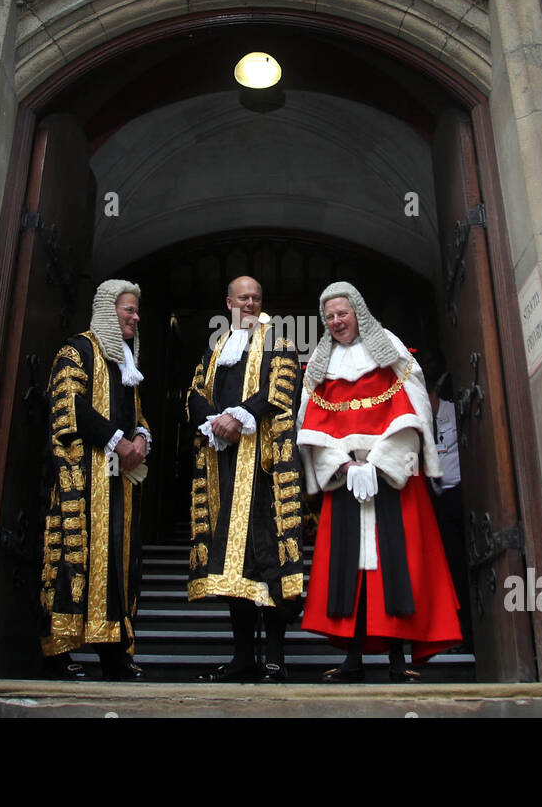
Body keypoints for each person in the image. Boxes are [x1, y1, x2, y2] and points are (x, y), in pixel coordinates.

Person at [297, 281, 461, 682]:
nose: (337, 322)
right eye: (330, 316)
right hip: (345, 480)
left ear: (359, 313)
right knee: (350, 573)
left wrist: (384, 463)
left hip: (393, 478)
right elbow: (311, 423)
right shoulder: (322, 361)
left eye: (343, 313)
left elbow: (413, 407)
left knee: (396, 566)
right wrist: (345, 467)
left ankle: (397, 662)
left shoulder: (389, 347)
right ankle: (352, 660)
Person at [185, 276, 304, 682]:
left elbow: (281, 389)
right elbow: (193, 392)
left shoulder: (280, 340)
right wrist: (214, 420)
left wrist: (238, 416)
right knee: (231, 568)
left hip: (264, 470)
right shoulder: (216, 346)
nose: (251, 303)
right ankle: (242, 657)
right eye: (243, 297)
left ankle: (274, 656)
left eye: (256, 297)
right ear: (229, 302)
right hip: (222, 467)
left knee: (267, 559)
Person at [40, 279, 151, 680]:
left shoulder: (125, 362)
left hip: (118, 483)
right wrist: (119, 443)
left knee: (118, 565)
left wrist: (141, 438)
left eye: (137, 311)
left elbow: (136, 413)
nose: (135, 318)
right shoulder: (78, 349)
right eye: (128, 310)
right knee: (75, 559)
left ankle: (114, 656)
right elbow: (70, 406)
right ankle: (56, 653)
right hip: (83, 480)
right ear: (109, 310)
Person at [428, 371, 473, 651]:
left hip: (462, 495)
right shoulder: (421, 421)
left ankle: (469, 633)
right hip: (438, 499)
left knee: (463, 567)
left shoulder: (453, 413)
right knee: (449, 568)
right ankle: (455, 632)